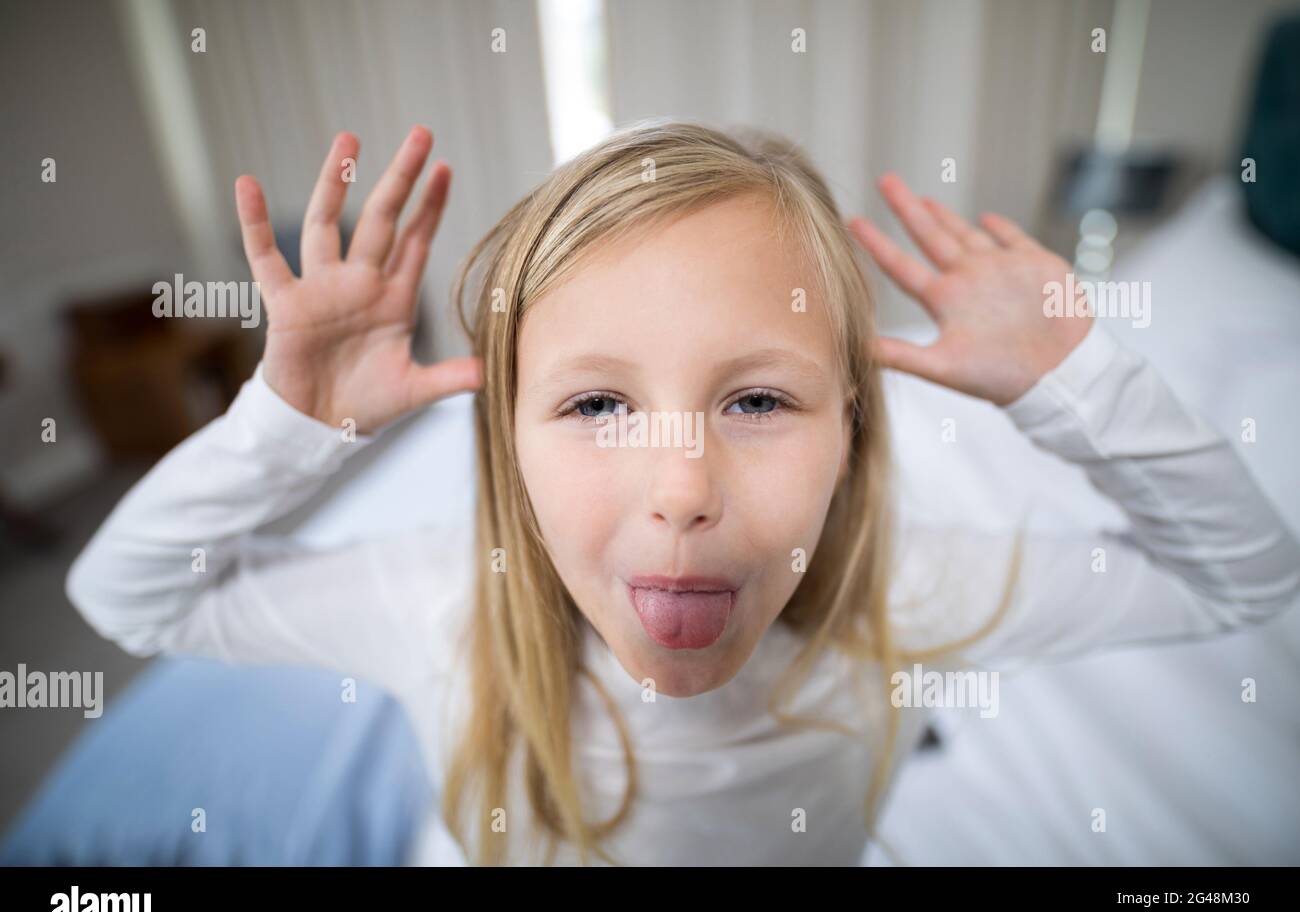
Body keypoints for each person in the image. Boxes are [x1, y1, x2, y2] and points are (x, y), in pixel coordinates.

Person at [66, 121, 1300, 866]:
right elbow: (123, 594)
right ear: (505, 446)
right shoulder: (443, 600)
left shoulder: (904, 590)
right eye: (596, 405)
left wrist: (1075, 382)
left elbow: (1243, 570)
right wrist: (287, 430)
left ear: (852, 430)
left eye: (757, 401)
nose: (682, 490)